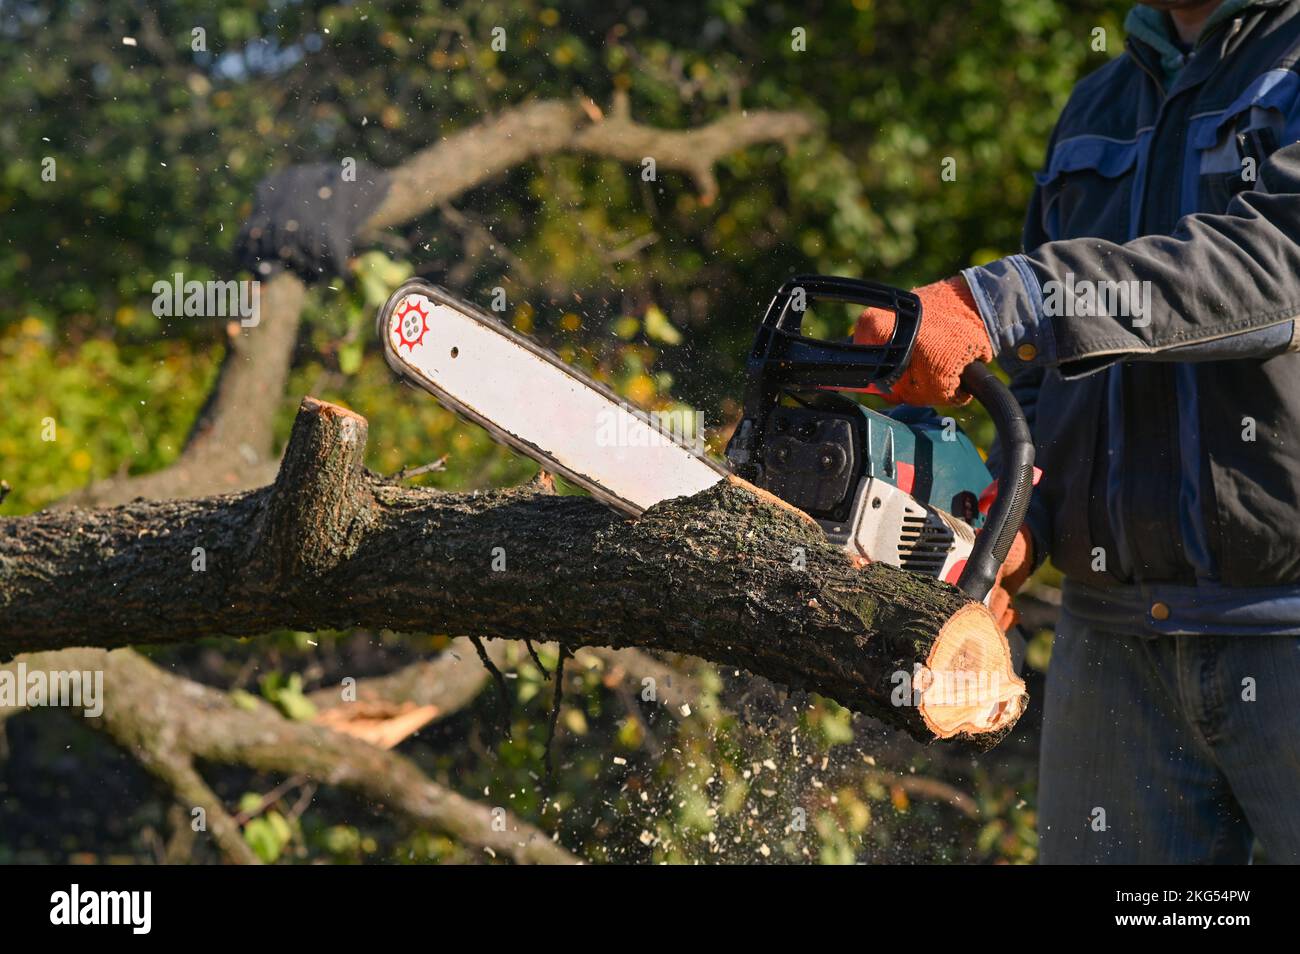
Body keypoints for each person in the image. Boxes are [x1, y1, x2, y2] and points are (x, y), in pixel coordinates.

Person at [855, 0, 1300, 863]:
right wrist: (1015, 517)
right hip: (1116, 643)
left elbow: (1275, 267)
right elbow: (1039, 377)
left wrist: (1004, 299)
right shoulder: (1100, 105)